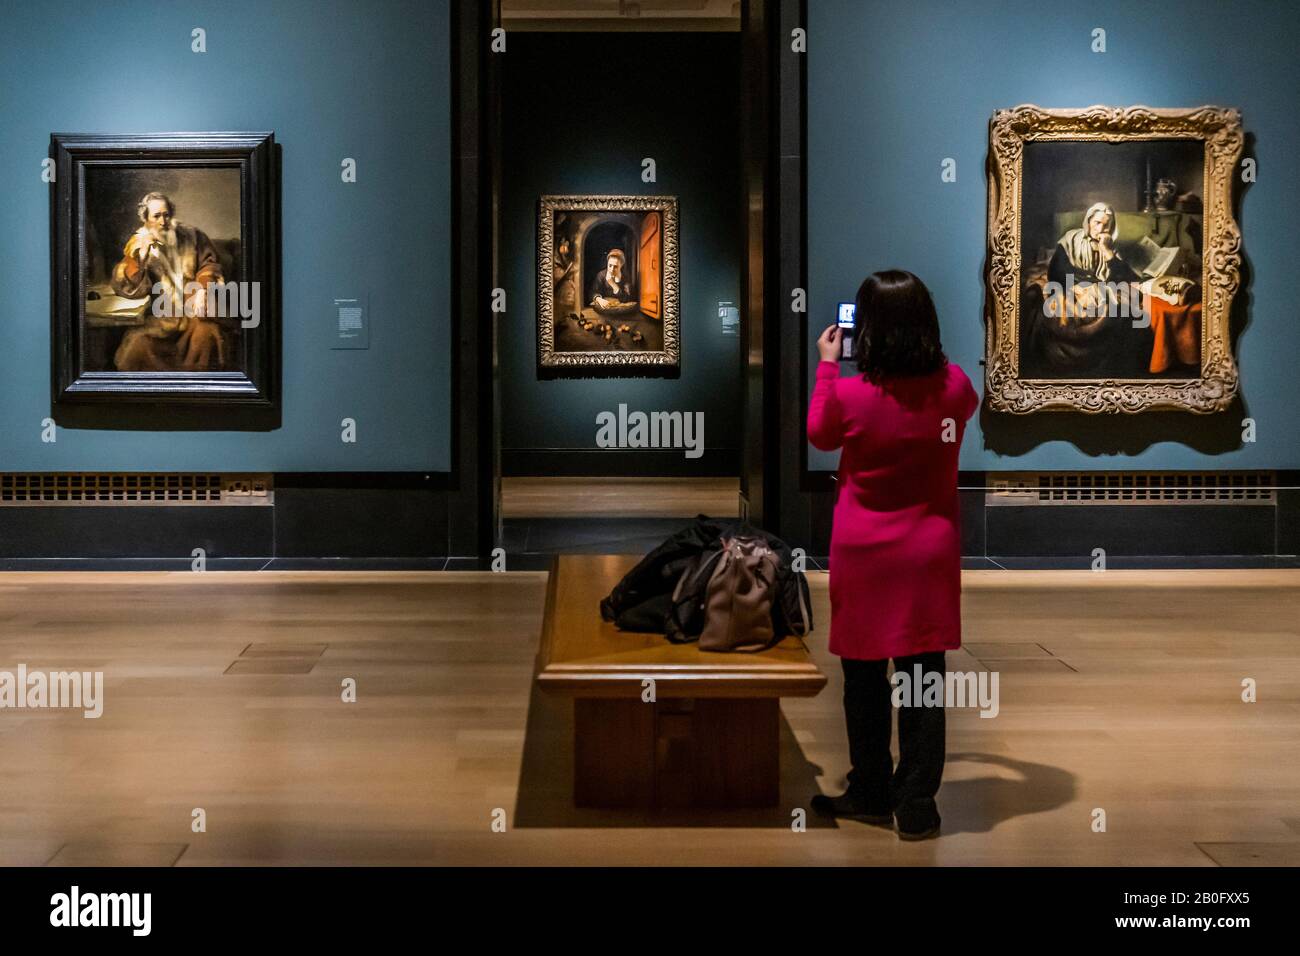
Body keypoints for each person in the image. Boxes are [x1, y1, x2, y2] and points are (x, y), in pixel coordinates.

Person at [807, 269, 978, 840]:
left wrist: (829, 363)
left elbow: (820, 433)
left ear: (868, 331)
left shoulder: (851, 395)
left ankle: (871, 790)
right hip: (928, 556)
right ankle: (918, 804)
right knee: (924, 679)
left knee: (863, 678)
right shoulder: (954, 386)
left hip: (864, 558)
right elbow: (958, 398)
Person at [110, 191, 228, 371]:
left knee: (207, 335)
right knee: (137, 347)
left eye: (166, 215)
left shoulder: (192, 235)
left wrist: (203, 291)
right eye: (156, 216)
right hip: (160, 316)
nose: (163, 222)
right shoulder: (137, 245)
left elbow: (209, 265)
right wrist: (140, 260)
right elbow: (127, 286)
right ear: (146, 219)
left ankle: (199, 391)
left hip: (194, 311)